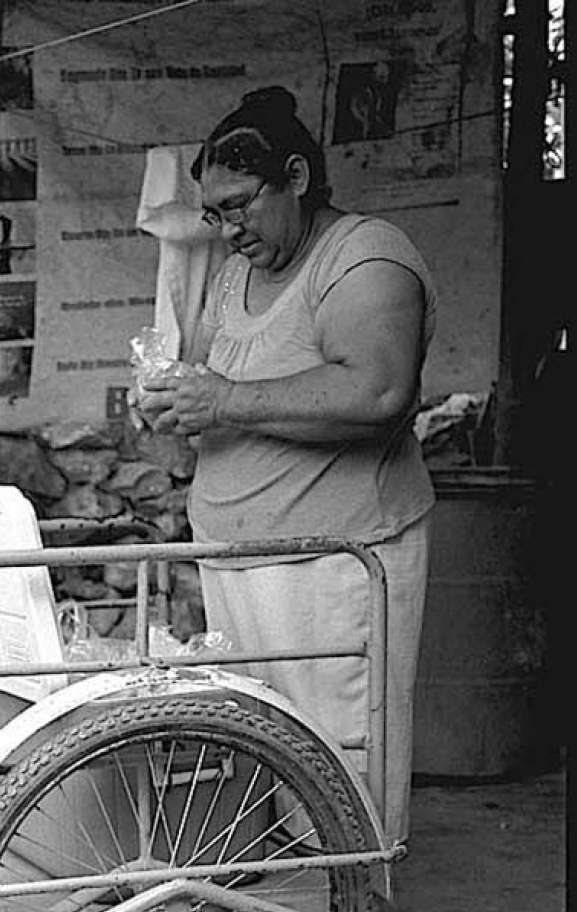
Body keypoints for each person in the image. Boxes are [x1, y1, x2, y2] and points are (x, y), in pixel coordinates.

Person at [135, 85, 436, 852]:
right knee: (263, 754)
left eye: (239, 205)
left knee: (335, 759)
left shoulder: (365, 258)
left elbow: (378, 391)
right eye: (214, 214)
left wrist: (226, 400)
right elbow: (216, 385)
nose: (228, 229)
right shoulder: (238, 273)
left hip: (333, 566)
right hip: (240, 560)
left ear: (297, 177)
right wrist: (174, 403)